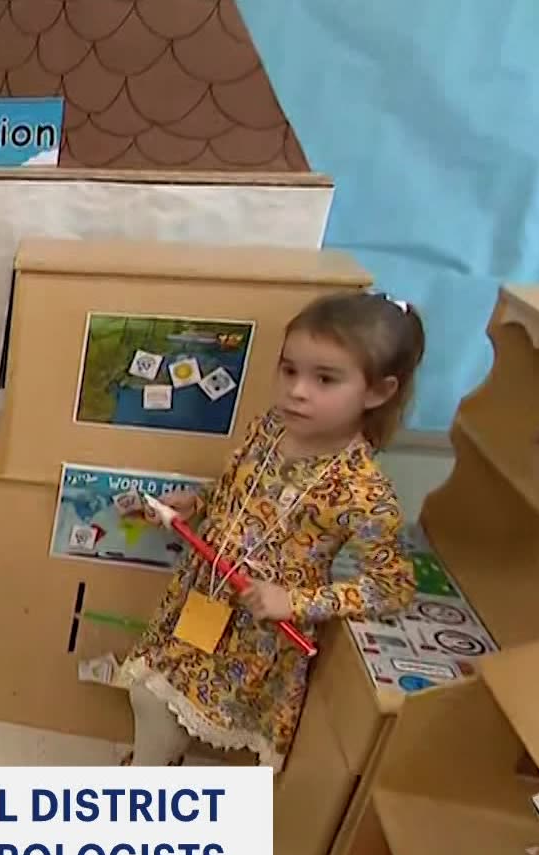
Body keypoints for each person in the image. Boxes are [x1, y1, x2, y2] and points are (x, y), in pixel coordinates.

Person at [121, 292, 423, 768]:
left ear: (378, 392)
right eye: (289, 370)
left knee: (158, 704)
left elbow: (393, 587)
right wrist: (199, 502)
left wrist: (296, 602)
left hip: (252, 632)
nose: (297, 391)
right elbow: (241, 490)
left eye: (325, 379)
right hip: (202, 594)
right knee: (149, 692)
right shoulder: (269, 428)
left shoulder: (363, 491)